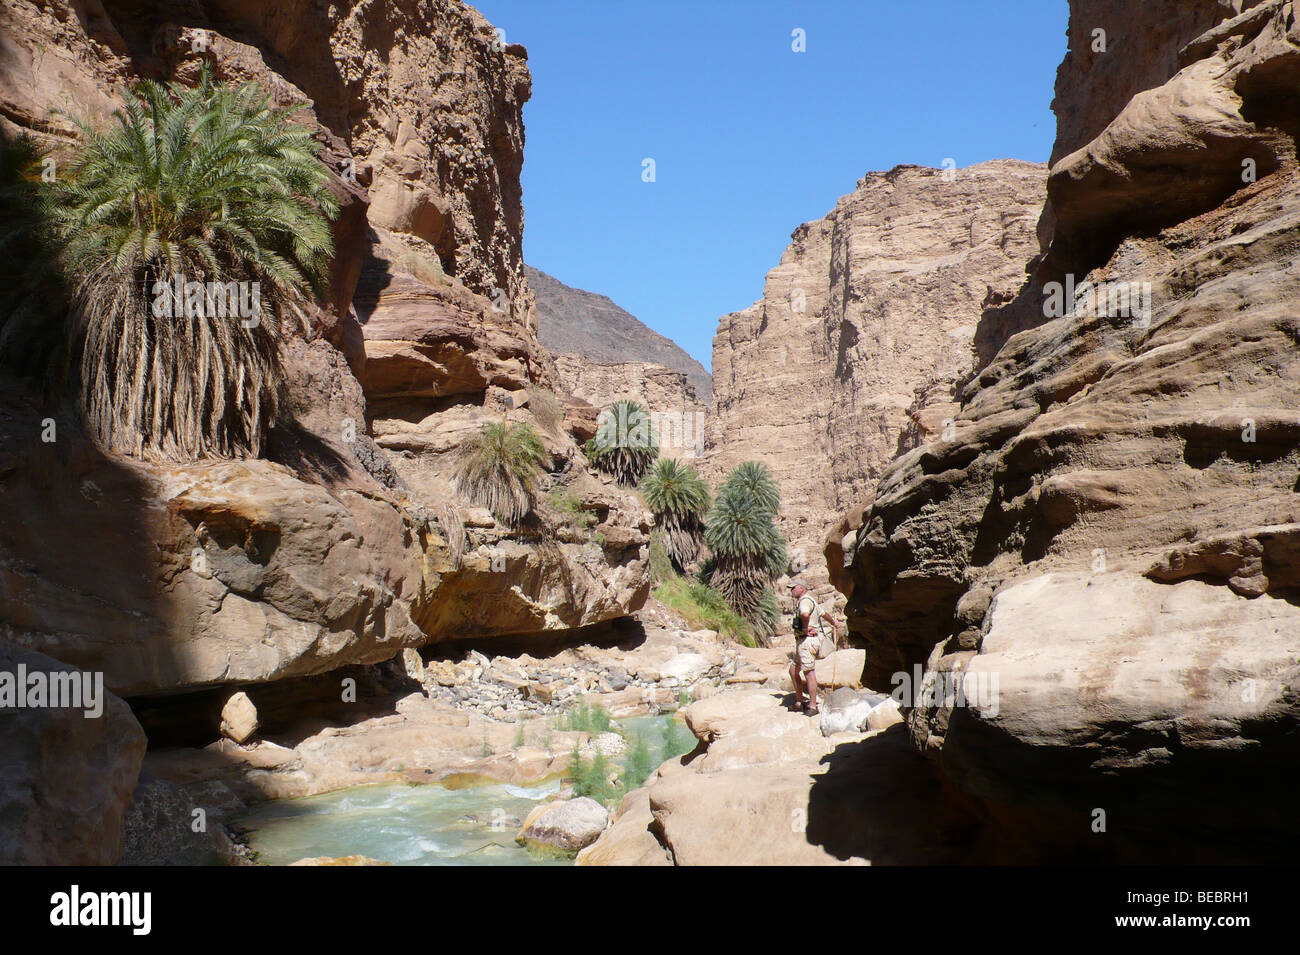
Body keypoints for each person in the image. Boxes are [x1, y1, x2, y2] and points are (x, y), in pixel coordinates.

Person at [787, 579, 836, 716]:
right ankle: (799, 701)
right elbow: (824, 613)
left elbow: (804, 614)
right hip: (803, 641)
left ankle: (813, 706)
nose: (791, 590)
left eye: (794, 588)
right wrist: (834, 623)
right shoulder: (812, 601)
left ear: (802, 588)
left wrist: (804, 628)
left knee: (809, 673)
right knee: (793, 669)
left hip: (806, 641)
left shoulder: (804, 601)